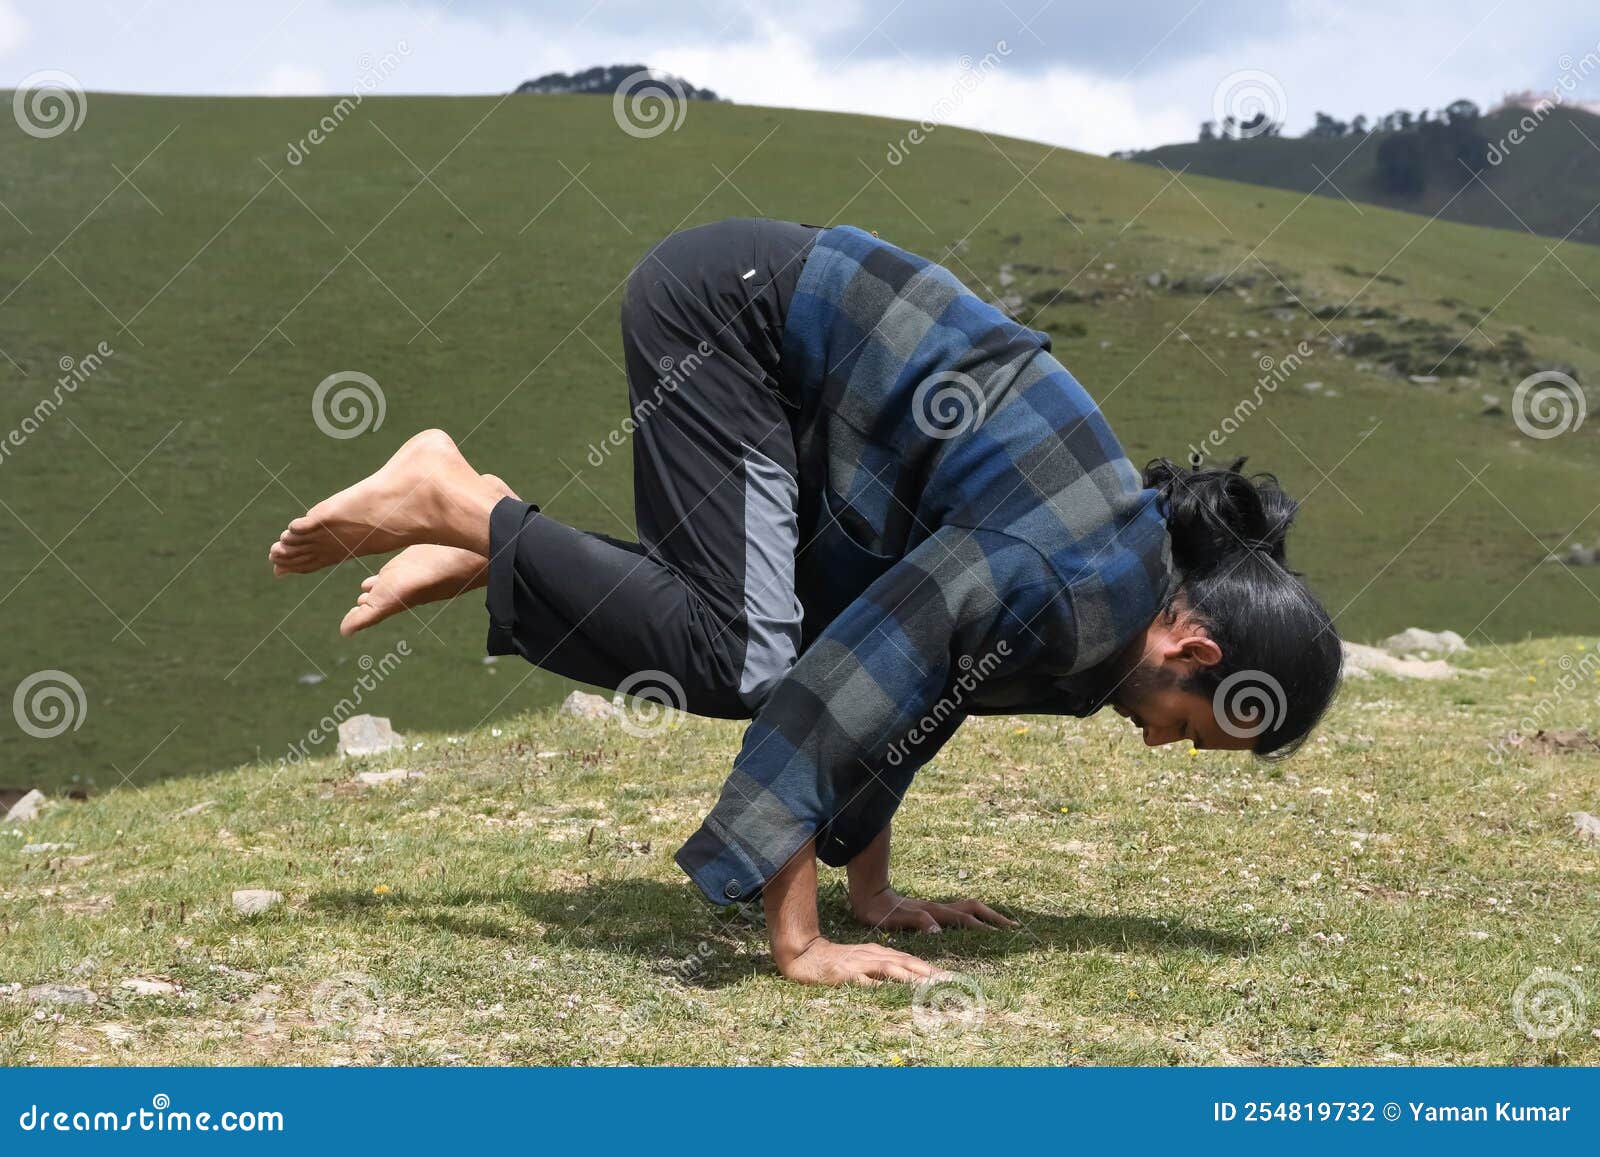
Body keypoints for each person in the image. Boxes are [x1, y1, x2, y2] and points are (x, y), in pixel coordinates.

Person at [268, 217, 1343, 986]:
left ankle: (492, 533)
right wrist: (801, 941)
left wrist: (870, 892)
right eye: (1195, 733)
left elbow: (920, 688)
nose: (1162, 747)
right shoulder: (1075, 582)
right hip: (729, 315)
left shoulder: (1110, 594)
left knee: (746, 639)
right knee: (745, 657)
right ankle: (454, 500)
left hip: (797, 374)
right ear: (1195, 647)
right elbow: (836, 685)